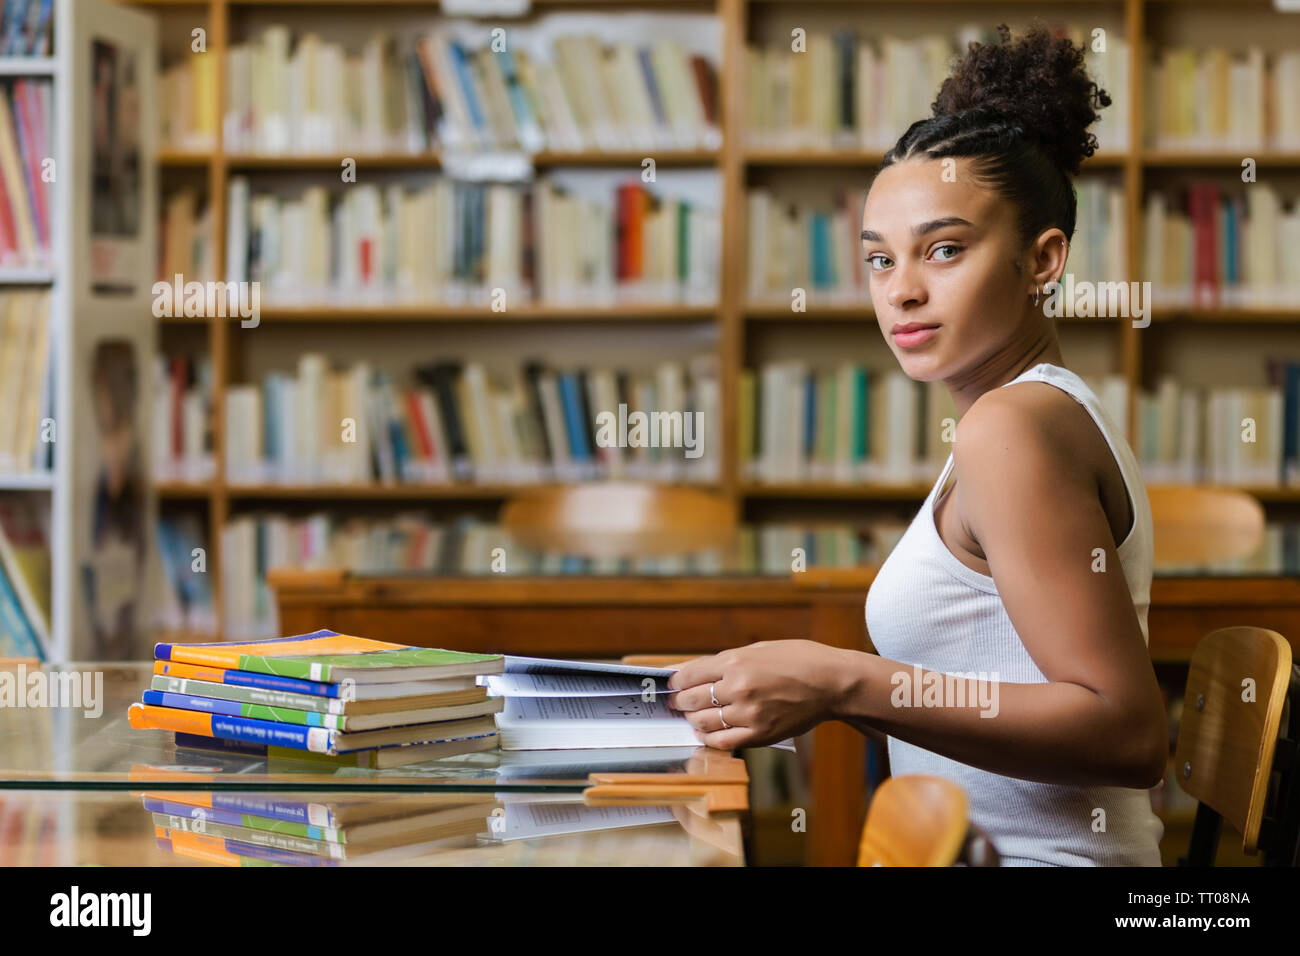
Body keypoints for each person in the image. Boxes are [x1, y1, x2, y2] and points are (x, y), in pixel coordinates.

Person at [666, 22, 1168, 866]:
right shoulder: (1025, 411)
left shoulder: (1011, 428)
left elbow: (1126, 732)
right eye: (878, 260)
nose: (902, 292)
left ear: (1044, 259)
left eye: (944, 250)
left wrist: (843, 681)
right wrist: (824, 687)